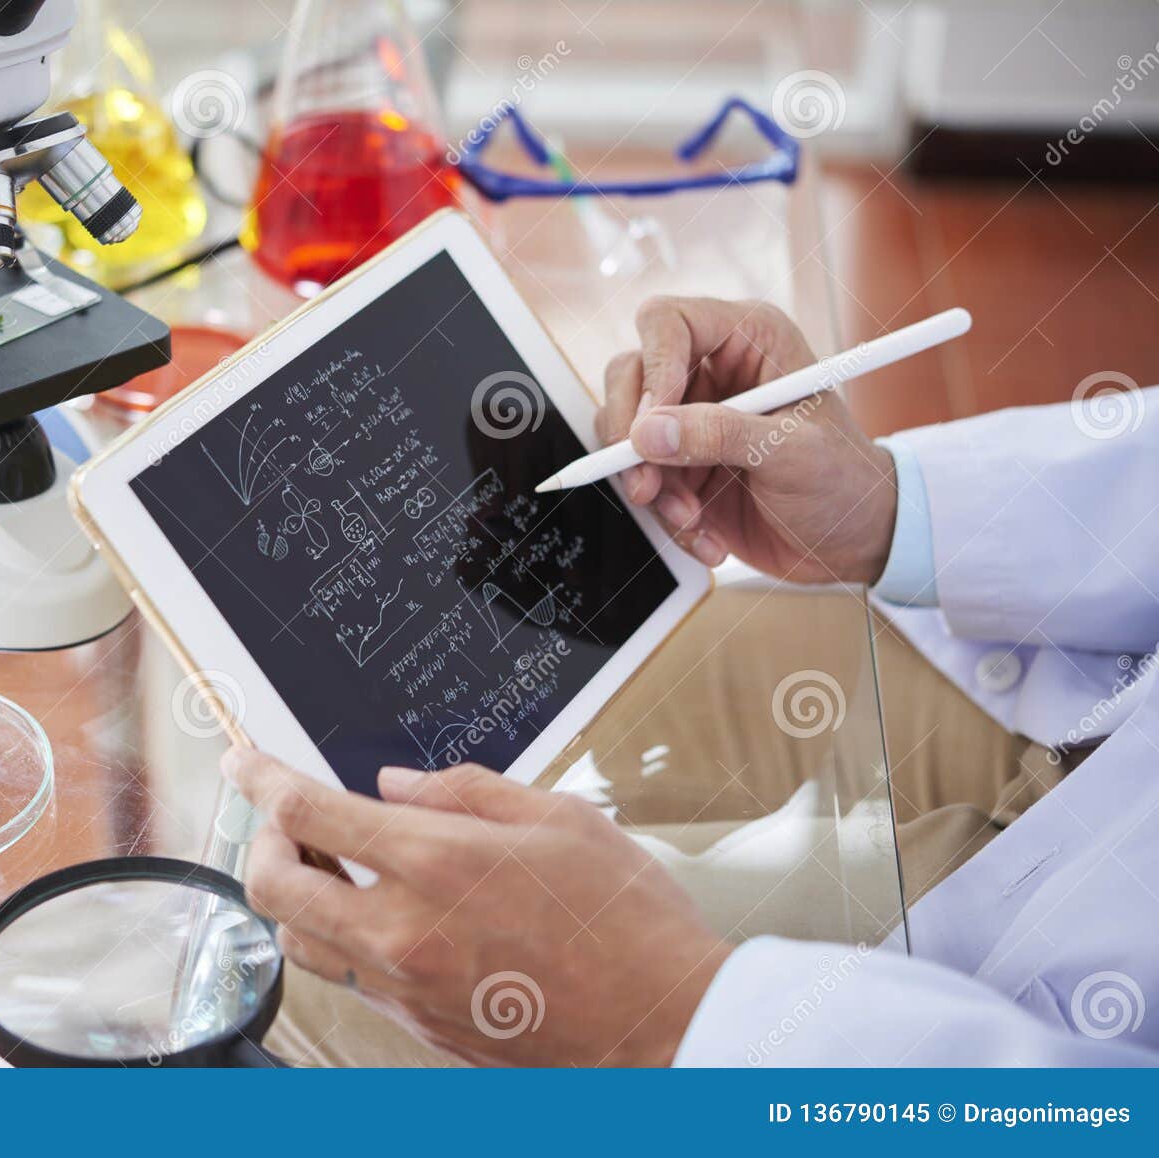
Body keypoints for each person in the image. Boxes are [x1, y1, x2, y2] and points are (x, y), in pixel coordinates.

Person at [221, 296, 1159, 1067]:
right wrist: (889, 511)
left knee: (302, 968)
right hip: (1099, 684)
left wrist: (674, 1012)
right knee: (557, 682)